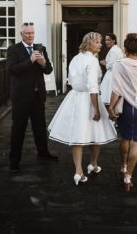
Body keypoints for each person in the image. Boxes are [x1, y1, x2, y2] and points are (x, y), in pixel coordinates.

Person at [48, 32, 117, 185]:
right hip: (89, 98)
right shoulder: (92, 61)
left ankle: (79, 171)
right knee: (96, 133)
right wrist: (96, 109)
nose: (100, 44)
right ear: (89, 44)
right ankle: (92, 163)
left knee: (77, 135)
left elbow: (71, 80)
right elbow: (93, 87)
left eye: (100, 42)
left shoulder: (76, 58)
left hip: (74, 97)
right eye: (97, 42)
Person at [6, 22, 57, 172]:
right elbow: (12, 70)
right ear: (21, 34)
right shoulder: (13, 49)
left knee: (40, 127)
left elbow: (48, 71)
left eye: (32, 33)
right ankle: (14, 161)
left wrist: (43, 63)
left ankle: (43, 153)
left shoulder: (41, 48)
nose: (30, 36)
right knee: (18, 129)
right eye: (27, 33)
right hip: (21, 97)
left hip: (37, 95)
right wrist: (30, 61)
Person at [107, 33, 137, 191]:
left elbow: (116, 89)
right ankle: (128, 177)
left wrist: (111, 107)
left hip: (125, 106)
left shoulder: (120, 64)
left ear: (124, 49)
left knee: (125, 138)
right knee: (136, 144)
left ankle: (124, 166)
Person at [98, 32, 123, 106]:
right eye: (106, 40)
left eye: (108, 40)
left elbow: (110, 65)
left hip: (111, 75)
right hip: (113, 73)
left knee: (108, 94)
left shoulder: (113, 51)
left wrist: (104, 63)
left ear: (114, 40)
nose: (106, 42)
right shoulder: (115, 49)